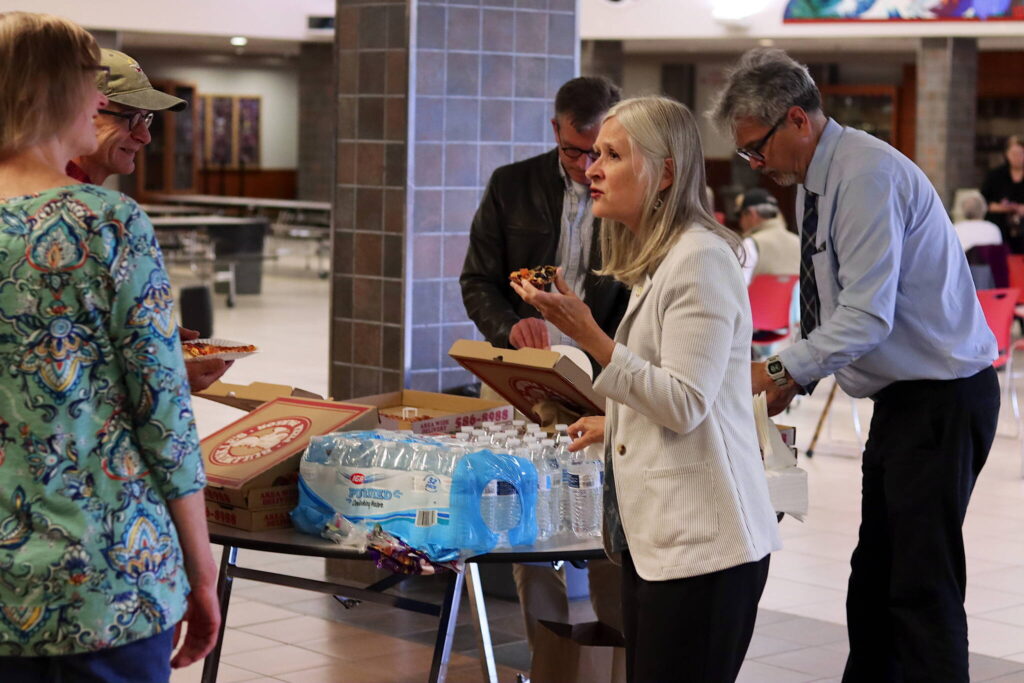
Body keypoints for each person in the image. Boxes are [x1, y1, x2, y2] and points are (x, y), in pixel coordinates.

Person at [710, 48, 999, 682]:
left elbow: (869, 317)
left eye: (756, 149)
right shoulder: (821, 177)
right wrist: (794, 372)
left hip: (942, 397)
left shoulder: (864, 174)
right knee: (874, 582)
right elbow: (833, 301)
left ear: (796, 120)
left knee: (920, 587)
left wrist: (783, 371)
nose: (755, 166)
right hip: (906, 400)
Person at [513, 96, 780, 683]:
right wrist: (615, 424)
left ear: (664, 172)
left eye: (612, 155)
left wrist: (588, 333)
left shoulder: (700, 260)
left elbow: (684, 403)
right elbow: (695, 393)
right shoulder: (661, 259)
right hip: (660, 542)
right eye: (593, 155)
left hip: (706, 550)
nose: (591, 169)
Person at [0, 12, 219, 681]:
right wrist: (201, 572)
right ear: (66, 96)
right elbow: (164, 418)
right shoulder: (109, 224)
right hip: (99, 580)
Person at [460, 76, 629, 680]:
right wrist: (510, 329)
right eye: (573, 152)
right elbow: (477, 279)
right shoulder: (514, 185)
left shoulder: (632, 193)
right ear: (554, 130)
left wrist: (605, 349)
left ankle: (617, 658)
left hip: (610, 372)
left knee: (613, 516)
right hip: (525, 373)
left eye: (598, 152)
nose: (586, 167)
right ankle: (553, 661)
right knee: (526, 524)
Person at [66, 49, 230, 392]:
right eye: (129, 118)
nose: (144, 136)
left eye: (147, 119)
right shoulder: (97, 216)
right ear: (77, 113)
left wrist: (146, 334)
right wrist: (161, 371)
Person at [736, 187, 799, 277]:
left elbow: (740, 284)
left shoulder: (751, 243)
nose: (740, 222)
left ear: (752, 214)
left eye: (739, 215)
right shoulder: (798, 241)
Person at [981, 135, 1024, 252]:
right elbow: (984, 202)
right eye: (1013, 154)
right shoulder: (996, 175)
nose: (1017, 157)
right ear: (1007, 154)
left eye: (1020, 154)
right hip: (1000, 227)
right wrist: (1004, 208)